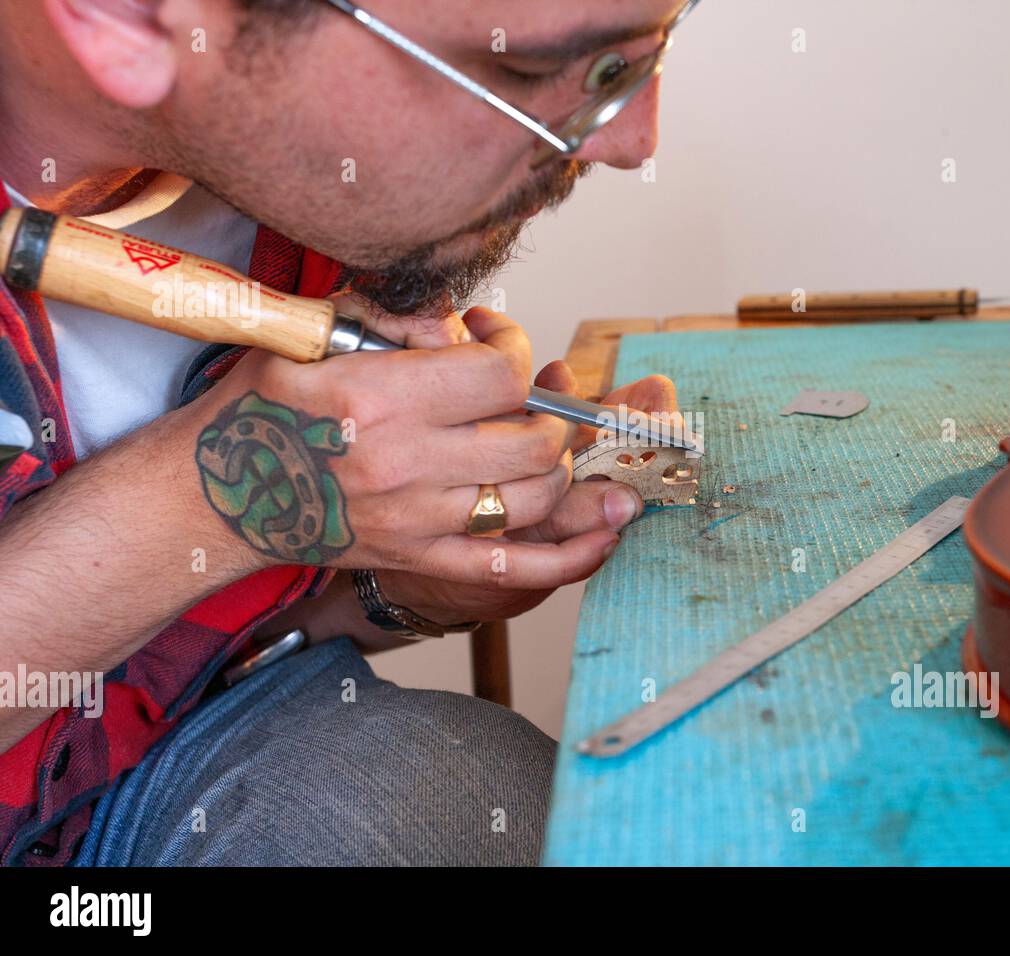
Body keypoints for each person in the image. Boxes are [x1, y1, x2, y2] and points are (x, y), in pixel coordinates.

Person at [0, 0, 696, 866]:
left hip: (148, 770)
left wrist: (391, 581)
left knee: (457, 801)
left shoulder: (310, 187)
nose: (635, 141)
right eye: (530, 71)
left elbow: (165, 659)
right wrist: (207, 504)